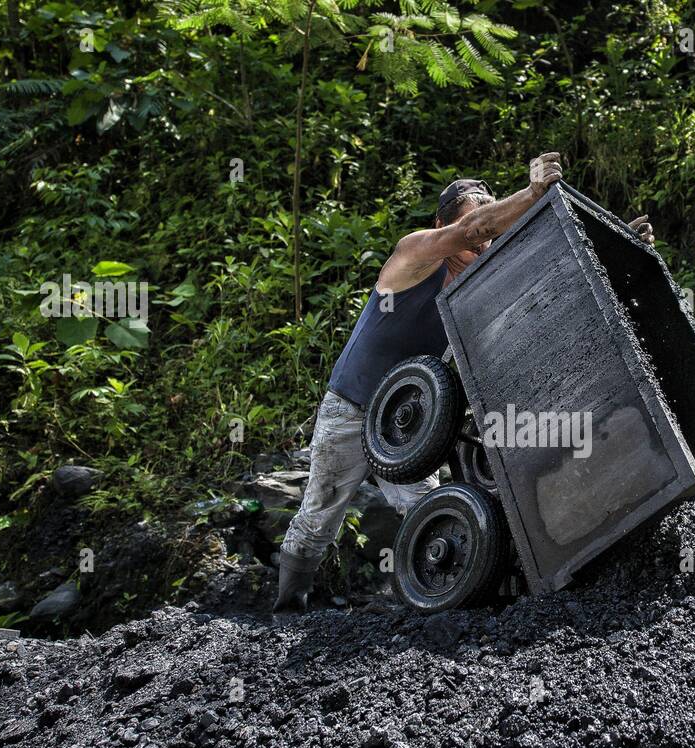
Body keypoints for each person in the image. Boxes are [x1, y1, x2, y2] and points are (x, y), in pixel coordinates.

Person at [274, 151, 654, 610]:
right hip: (352, 407)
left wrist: (613, 245)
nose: (486, 239)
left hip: (405, 427)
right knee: (320, 511)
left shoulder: (478, 288)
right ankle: (288, 609)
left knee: (430, 509)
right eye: (477, 224)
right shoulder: (415, 254)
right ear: (442, 225)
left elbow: (554, 283)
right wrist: (533, 193)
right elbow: (473, 229)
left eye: (492, 232)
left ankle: (428, 601)